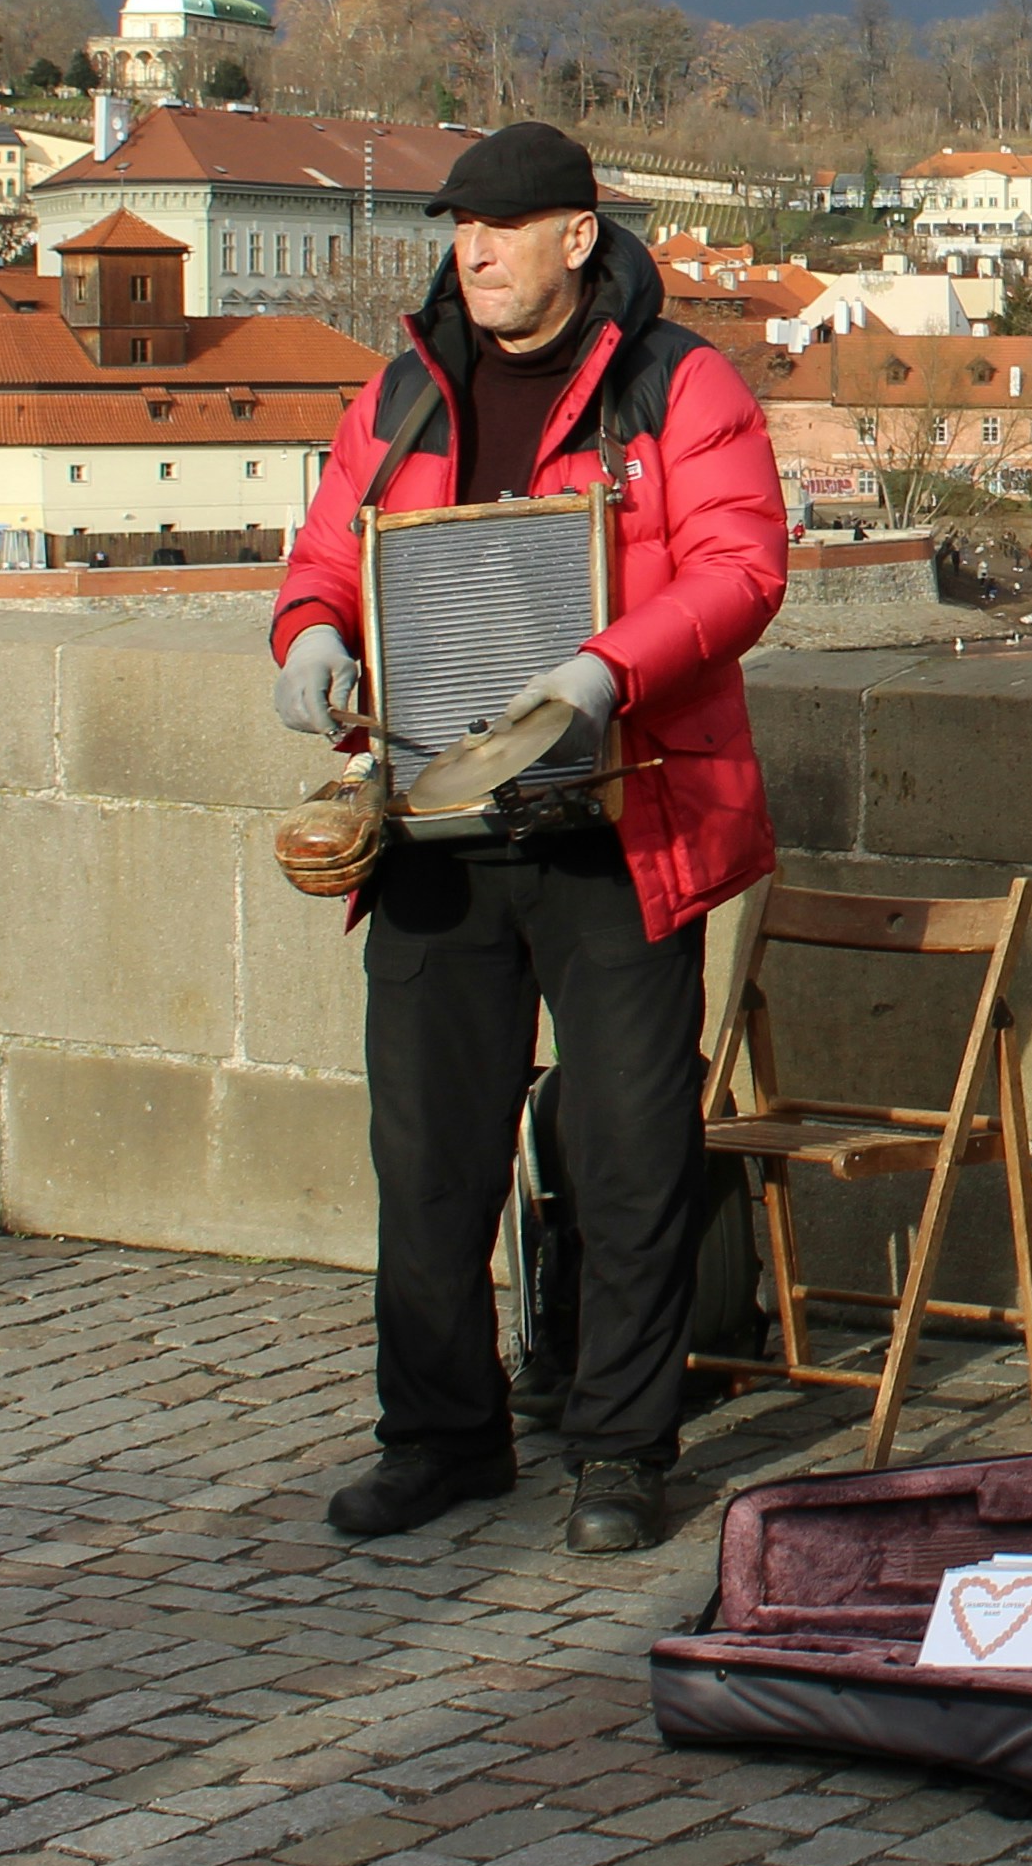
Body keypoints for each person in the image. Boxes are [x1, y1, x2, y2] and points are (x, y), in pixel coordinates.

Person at [271, 121, 786, 1556]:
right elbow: (326, 560)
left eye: (503, 227)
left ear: (578, 237)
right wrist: (310, 638)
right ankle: (439, 1436)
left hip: (621, 820)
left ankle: (621, 1447)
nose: (475, 251)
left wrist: (604, 667)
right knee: (430, 1158)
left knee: (629, 1156)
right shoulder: (403, 394)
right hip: (439, 822)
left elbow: (744, 568)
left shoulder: (679, 383)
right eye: (460, 228)